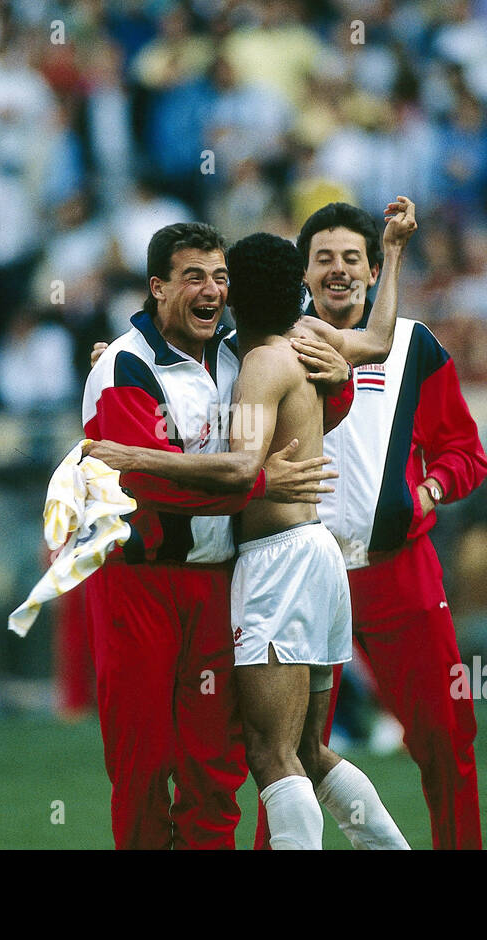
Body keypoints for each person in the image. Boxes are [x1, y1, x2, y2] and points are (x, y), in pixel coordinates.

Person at [89, 200, 487, 848]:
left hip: (278, 560)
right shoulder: (306, 343)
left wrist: (133, 454)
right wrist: (392, 255)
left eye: (220, 281)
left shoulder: (258, 365)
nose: (213, 294)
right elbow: (378, 336)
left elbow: (243, 467)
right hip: (319, 559)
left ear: (237, 294)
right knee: (306, 750)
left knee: (271, 755)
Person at [80, 219, 359, 850]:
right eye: (194, 277)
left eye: (220, 277)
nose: (211, 289)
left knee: (215, 764)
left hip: (217, 585)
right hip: (139, 586)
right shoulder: (126, 367)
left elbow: (302, 413)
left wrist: (338, 386)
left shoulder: (240, 355)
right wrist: (260, 486)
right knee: (145, 763)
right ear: (158, 288)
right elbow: (144, 485)